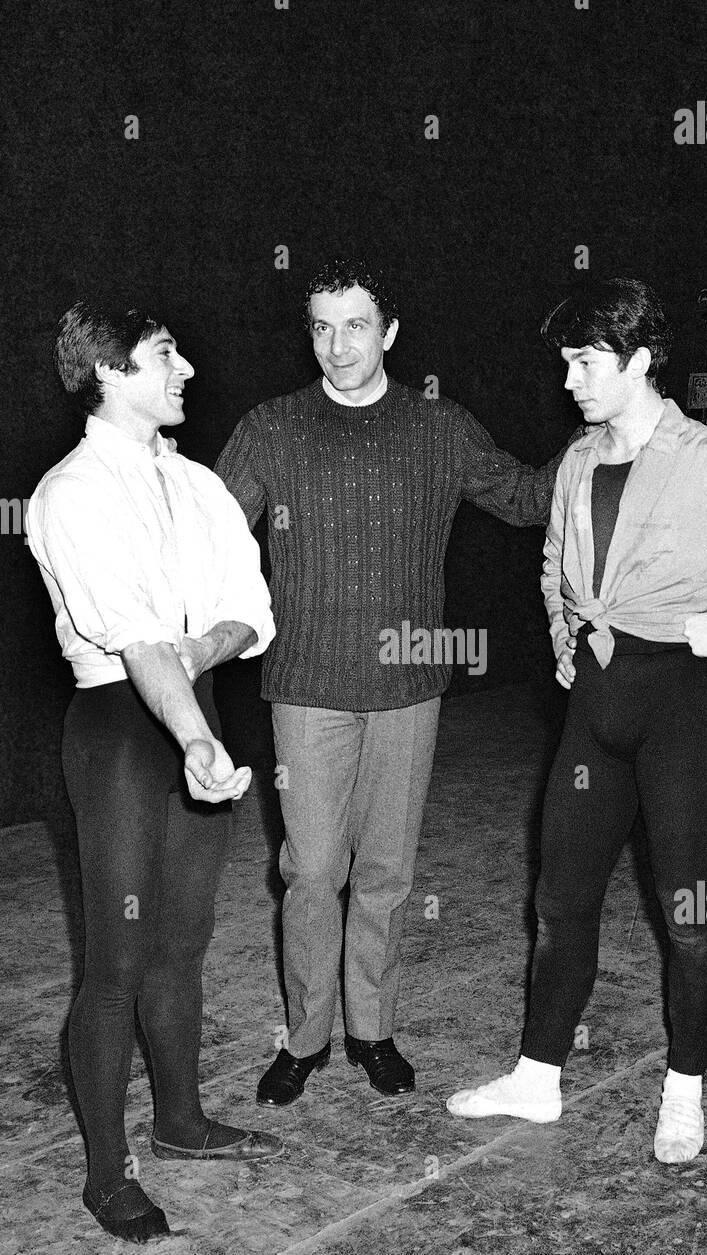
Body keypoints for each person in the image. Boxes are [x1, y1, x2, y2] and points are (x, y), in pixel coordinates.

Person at [447, 277, 707, 1162]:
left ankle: (684, 1093)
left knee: (691, 914)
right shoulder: (581, 457)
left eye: (587, 362)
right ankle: (537, 1077)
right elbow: (555, 561)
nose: (570, 380)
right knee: (558, 902)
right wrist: (565, 638)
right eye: (565, 362)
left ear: (638, 360)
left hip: (677, 705)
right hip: (593, 707)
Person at [215, 257, 577, 1106]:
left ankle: (371, 1031)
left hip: (410, 685)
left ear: (391, 333)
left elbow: (526, 498)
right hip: (305, 682)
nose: (336, 346)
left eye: (355, 326)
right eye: (321, 327)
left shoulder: (438, 427)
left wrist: (600, 435)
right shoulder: (272, 427)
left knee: (386, 873)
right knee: (310, 871)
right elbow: (210, 532)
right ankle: (304, 1036)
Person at [27, 301, 282, 1243]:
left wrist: (200, 658)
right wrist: (195, 740)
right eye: (166, 356)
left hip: (189, 711)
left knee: (183, 944)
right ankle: (106, 1174)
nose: (186, 372)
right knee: (117, 964)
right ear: (109, 372)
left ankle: (178, 1121)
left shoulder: (199, 485)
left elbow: (249, 612)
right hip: (123, 735)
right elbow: (135, 642)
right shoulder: (72, 492)